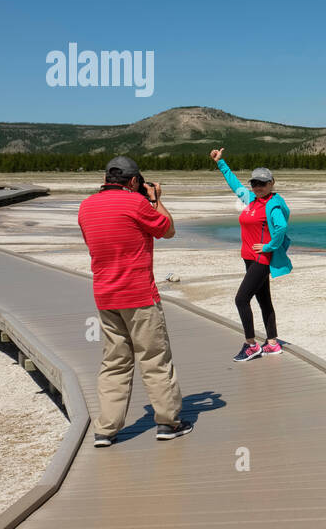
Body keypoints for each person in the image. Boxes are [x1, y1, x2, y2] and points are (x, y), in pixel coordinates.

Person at [77, 156, 192, 446]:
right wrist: (154, 200)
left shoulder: (86, 206)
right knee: (154, 359)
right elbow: (168, 230)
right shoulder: (137, 204)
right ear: (132, 181)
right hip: (139, 295)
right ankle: (168, 422)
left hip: (105, 295)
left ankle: (106, 428)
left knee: (114, 361)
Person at [209, 147, 292, 361]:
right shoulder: (252, 200)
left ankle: (251, 345)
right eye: (254, 183)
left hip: (261, 259)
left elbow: (281, 228)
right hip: (249, 257)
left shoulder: (271, 205)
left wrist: (267, 247)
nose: (258, 187)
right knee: (264, 299)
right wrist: (221, 162)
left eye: (262, 183)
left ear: (271, 183)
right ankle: (272, 343)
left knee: (241, 299)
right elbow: (235, 185)